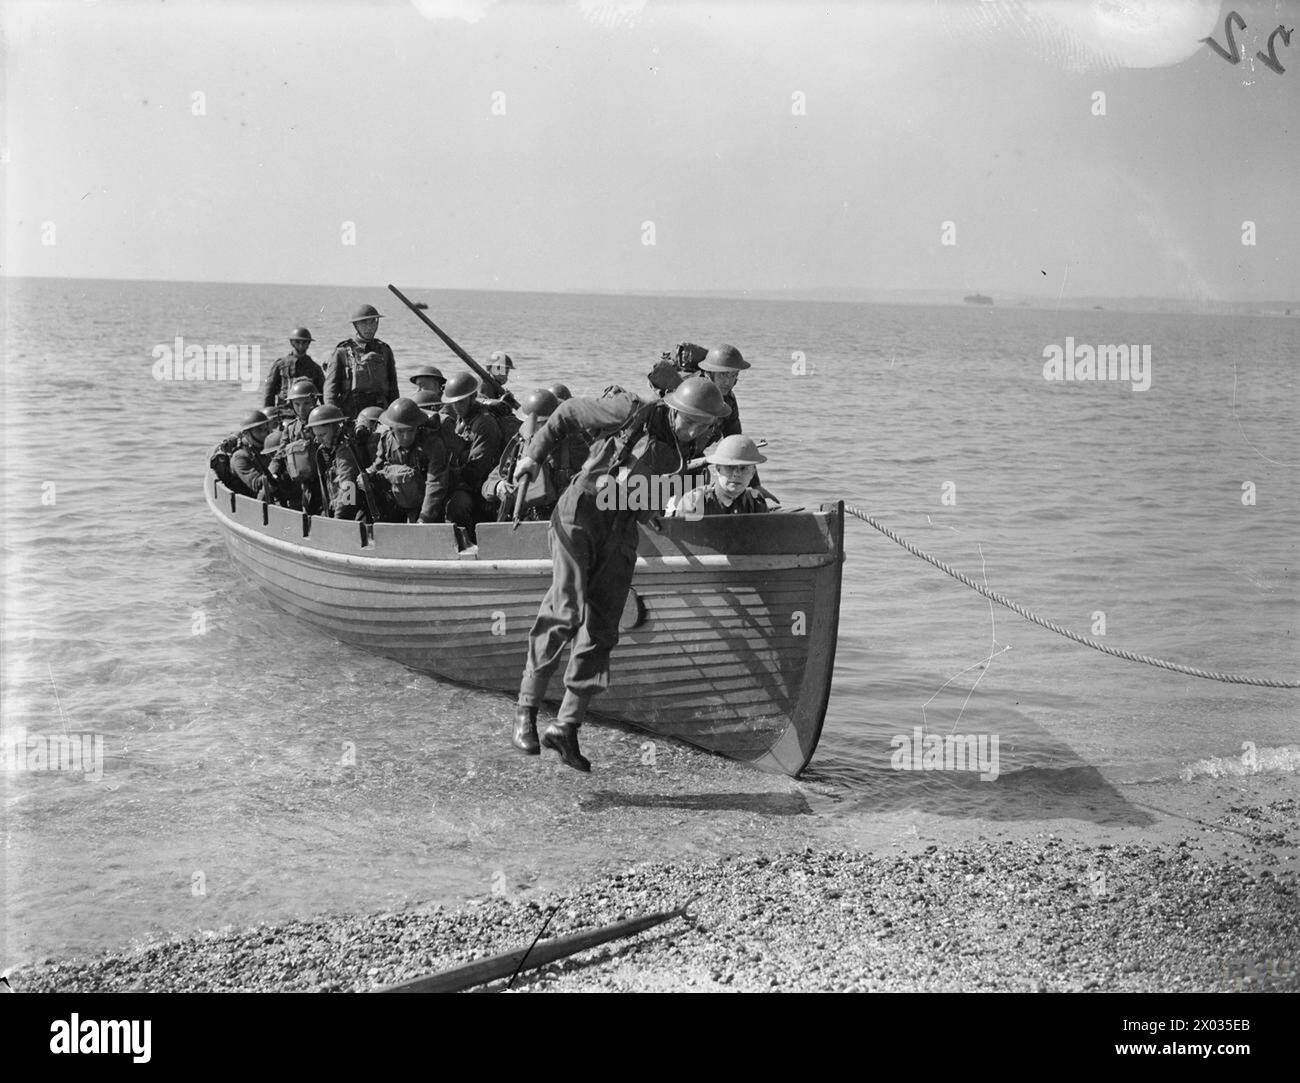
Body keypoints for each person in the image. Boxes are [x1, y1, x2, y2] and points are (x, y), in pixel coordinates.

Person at [509, 376, 731, 770]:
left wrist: (650, 510)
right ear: (674, 408)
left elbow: (651, 480)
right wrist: (534, 455)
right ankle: (526, 711)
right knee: (565, 611)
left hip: (622, 529)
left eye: (704, 425)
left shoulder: (693, 442)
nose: (695, 430)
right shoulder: (630, 410)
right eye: (690, 420)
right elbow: (567, 413)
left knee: (603, 630)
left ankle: (567, 726)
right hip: (580, 515)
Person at [366, 398, 452, 524]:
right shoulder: (386, 440)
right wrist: (366, 476)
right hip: (401, 497)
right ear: (391, 428)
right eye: (400, 431)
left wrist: (424, 518)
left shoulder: (432, 444)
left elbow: (435, 483)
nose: (406, 437)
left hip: (431, 501)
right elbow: (378, 467)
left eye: (411, 430)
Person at [442, 373, 504, 536]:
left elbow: (476, 470)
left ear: (472, 398)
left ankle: (469, 542)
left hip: (481, 485)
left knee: (456, 505)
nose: (456, 407)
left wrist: (451, 478)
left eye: (461, 402)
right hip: (465, 479)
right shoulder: (462, 419)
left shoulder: (484, 423)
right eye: (453, 403)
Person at [666, 435, 770, 518]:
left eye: (744, 468)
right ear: (718, 469)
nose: (737, 473)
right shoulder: (694, 502)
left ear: (752, 473)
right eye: (730, 467)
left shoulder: (756, 503)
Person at [324, 303, 399, 419]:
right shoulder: (342, 352)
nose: (369, 327)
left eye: (373, 322)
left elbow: (393, 389)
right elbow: (330, 391)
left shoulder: (385, 350)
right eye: (364, 323)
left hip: (380, 414)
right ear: (356, 325)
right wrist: (333, 419)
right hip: (351, 414)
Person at [262, 328, 324, 418]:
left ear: (308, 344)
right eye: (298, 342)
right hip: (283, 412)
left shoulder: (315, 368)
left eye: (304, 342)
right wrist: (267, 415)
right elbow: (269, 392)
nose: (301, 345)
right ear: (292, 343)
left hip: (307, 414)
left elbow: (323, 394)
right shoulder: (280, 365)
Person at [228, 410, 282, 500]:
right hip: (251, 501)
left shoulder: (266, 447)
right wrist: (276, 468)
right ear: (246, 434)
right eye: (259, 430)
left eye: (266, 429)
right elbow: (256, 484)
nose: (265, 434)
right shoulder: (240, 457)